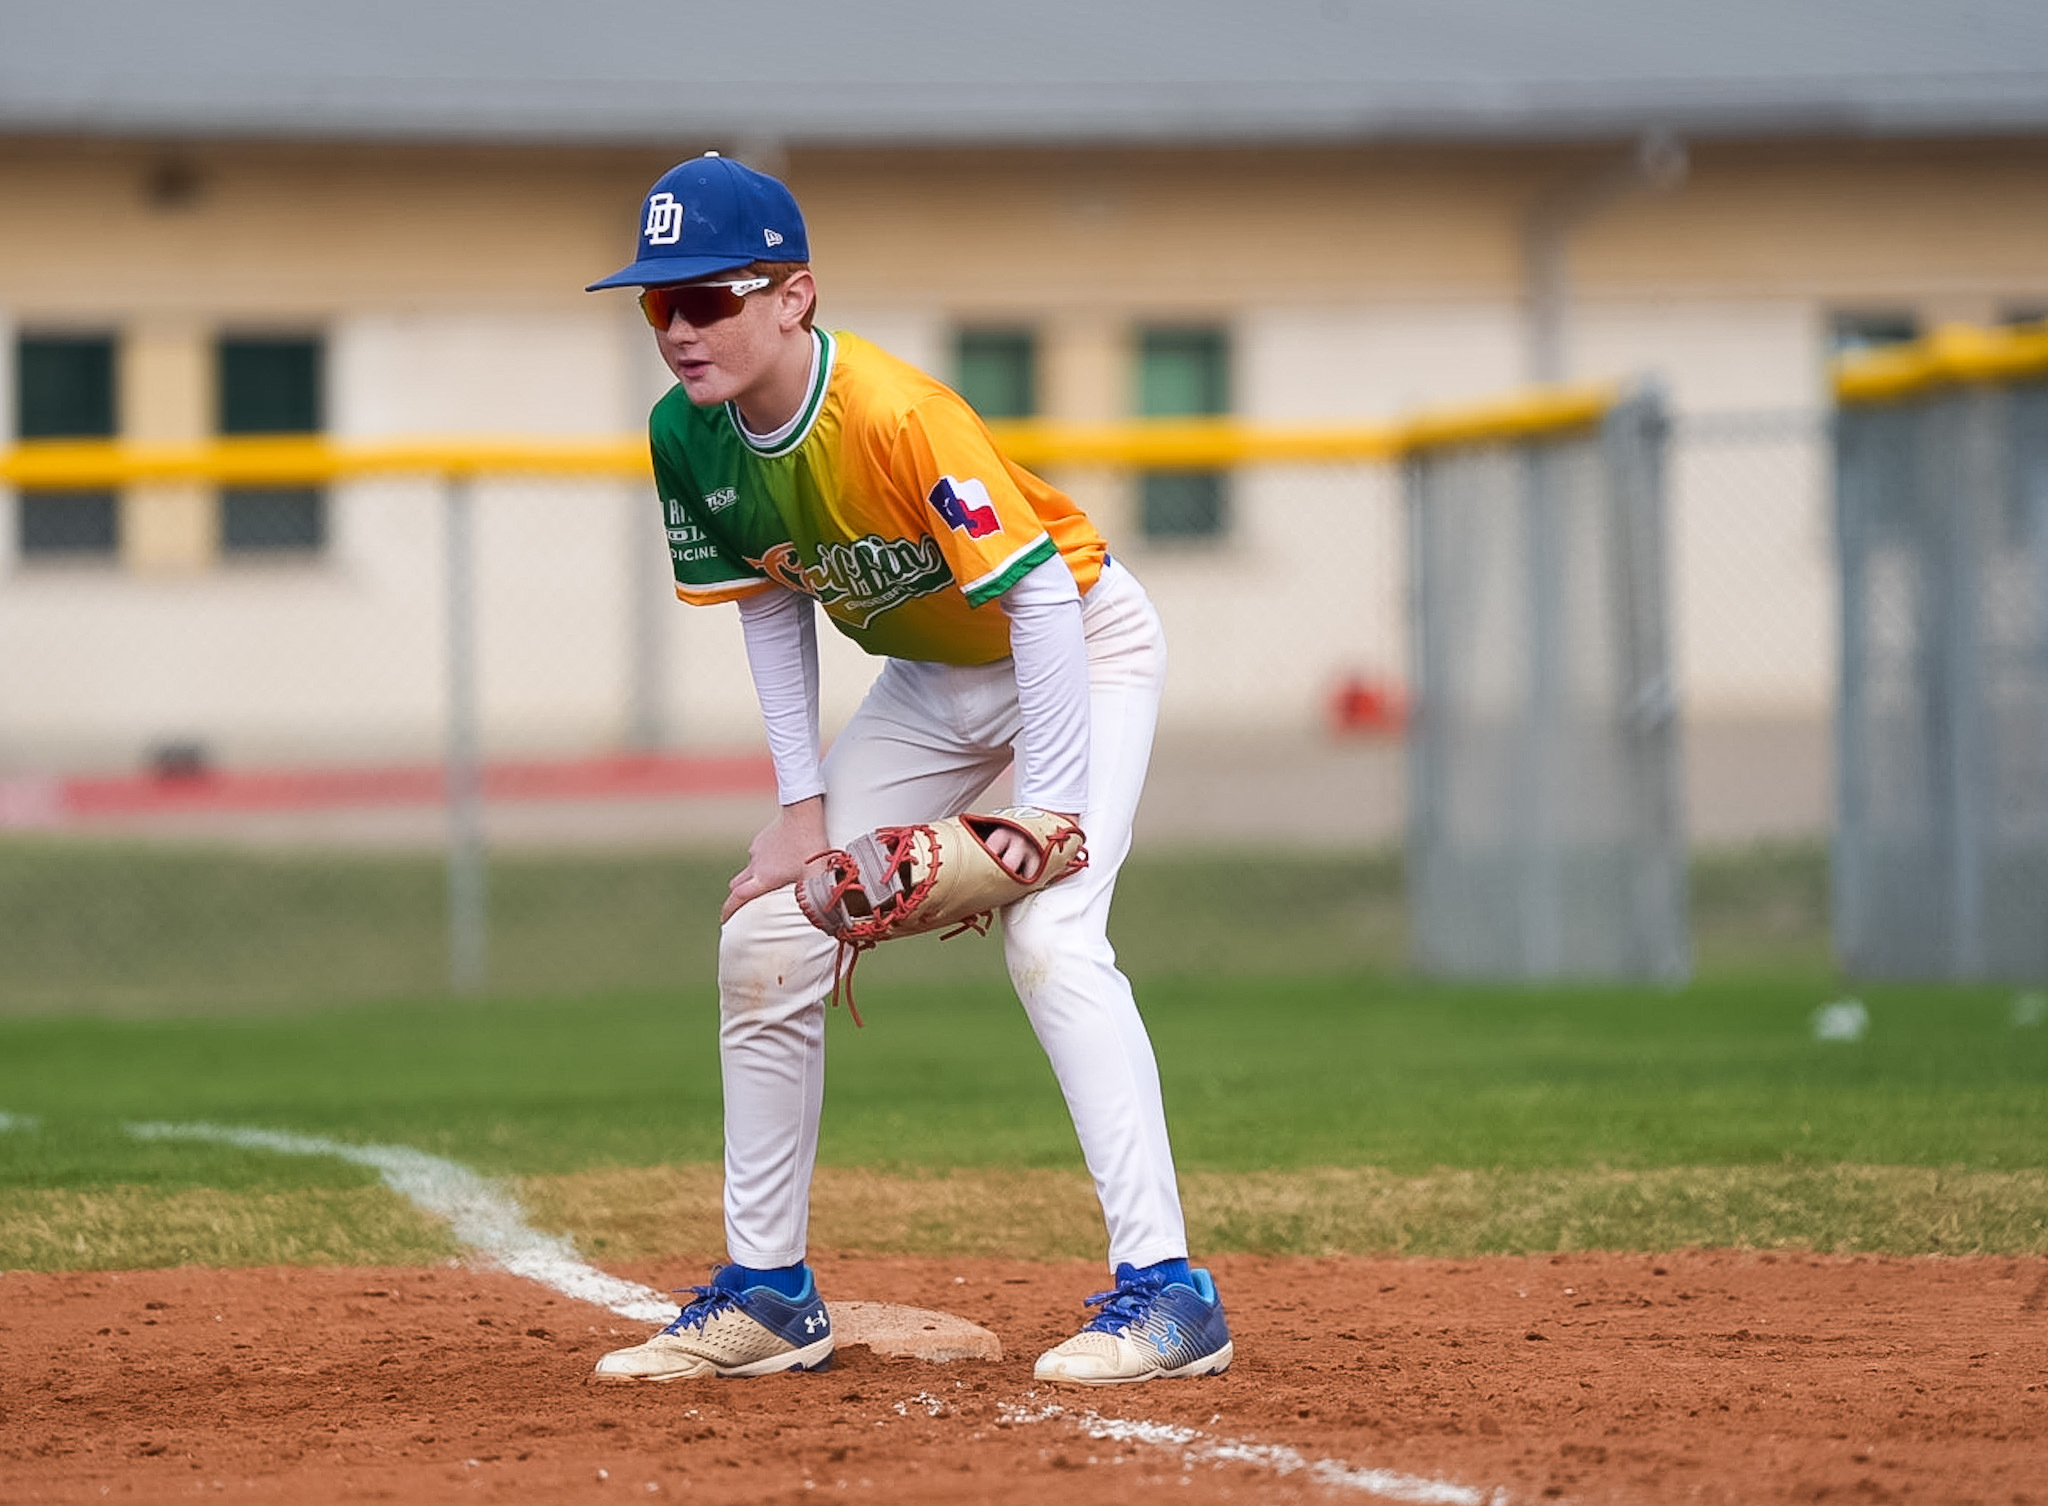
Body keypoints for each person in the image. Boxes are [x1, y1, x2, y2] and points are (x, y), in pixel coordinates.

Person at [583, 153, 1231, 1386]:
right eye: (657, 302)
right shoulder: (686, 431)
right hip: (932, 685)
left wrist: (1045, 808)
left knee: (1051, 940)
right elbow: (768, 608)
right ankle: (769, 1297)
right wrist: (799, 814)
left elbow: (1039, 593)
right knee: (769, 937)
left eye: (709, 296)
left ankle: (1169, 1294)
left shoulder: (889, 414)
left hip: (1077, 647)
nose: (677, 328)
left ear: (794, 296)